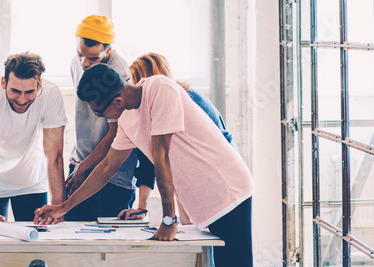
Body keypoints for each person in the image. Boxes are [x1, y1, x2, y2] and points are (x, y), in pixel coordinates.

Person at [34, 63, 254, 266]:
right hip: (204, 198)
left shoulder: (160, 89)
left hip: (226, 188)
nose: (99, 117)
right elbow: (107, 167)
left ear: (117, 101)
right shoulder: (127, 117)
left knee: (235, 263)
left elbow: (161, 157)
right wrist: (63, 207)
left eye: (98, 112)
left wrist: (169, 219)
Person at [121, 53, 234, 222]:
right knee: (189, 227)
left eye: (134, 80)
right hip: (188, 178)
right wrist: (142, 207)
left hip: (219, 177)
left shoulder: (187, 98)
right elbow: (148, 160)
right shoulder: (150, 110)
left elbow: (221, 141)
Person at [0, 52, 67, 222]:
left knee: (34, 243)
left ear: (39, 85)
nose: (22, 99)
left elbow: (55, 157)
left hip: (31, 180)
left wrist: (59, 209)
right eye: (15, 91)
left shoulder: (50, 94)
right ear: (3, 82)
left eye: (29, 92)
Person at [63, 15, 137, 221]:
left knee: (107, 244)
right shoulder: (77, 62)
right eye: (80, 54)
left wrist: (84, 167)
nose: (84, 63)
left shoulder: (120, 73)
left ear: (108, 51)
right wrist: (80, 165)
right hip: (81, 162)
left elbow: (115, 133)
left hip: (114, 174)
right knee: (72, 235)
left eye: (93, 58)